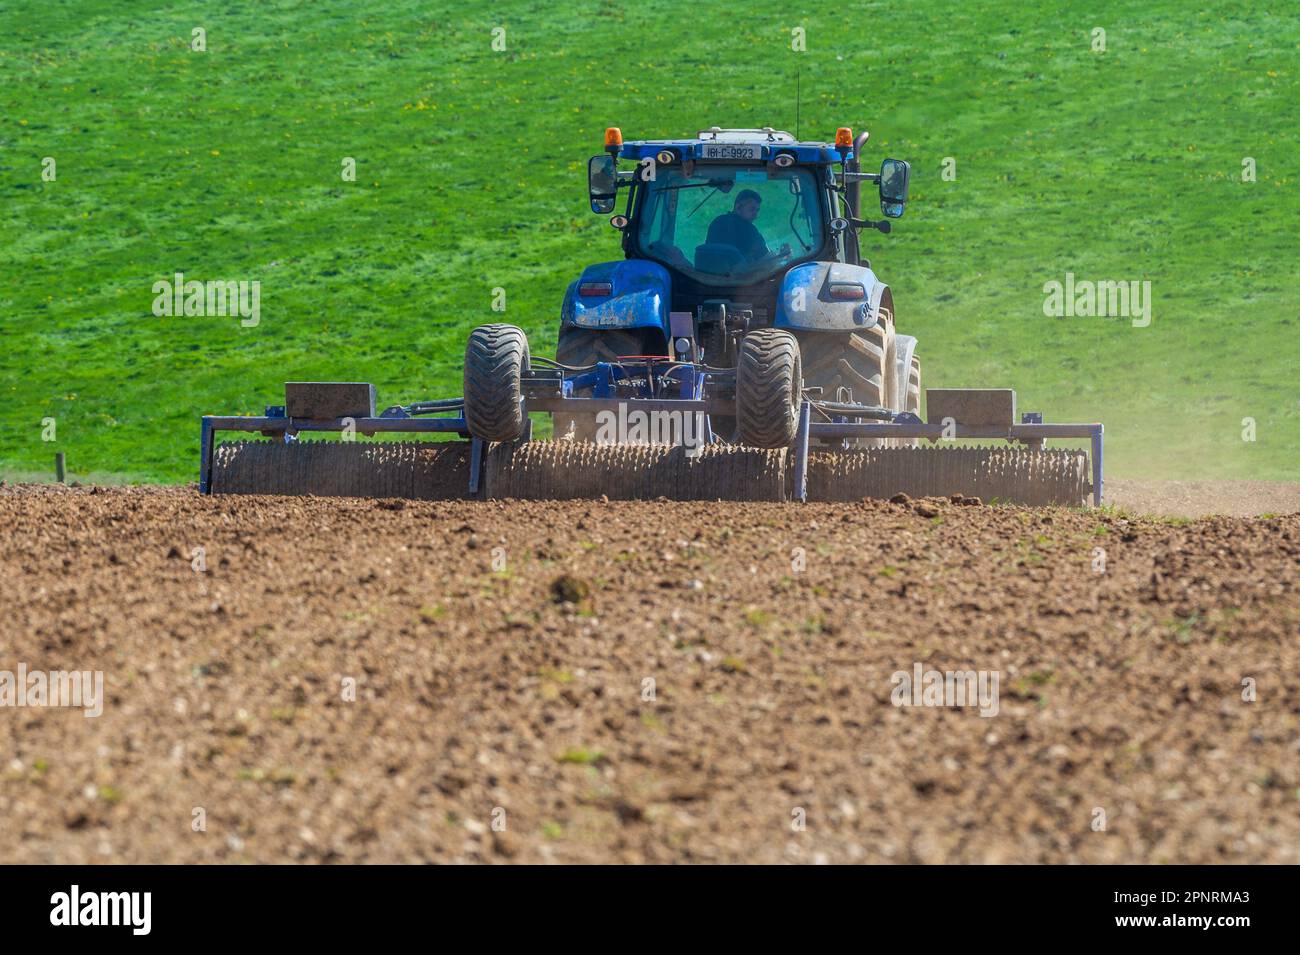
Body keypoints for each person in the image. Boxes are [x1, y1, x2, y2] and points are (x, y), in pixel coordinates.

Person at [706, 190, 791, 266]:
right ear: (738, 207)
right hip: (739, 281)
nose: (756, 215)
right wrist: (782, 256)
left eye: (757, 210)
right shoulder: (748, 229)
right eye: (752, 209)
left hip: (710, 278)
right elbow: (767, 263)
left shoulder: (717, 222)